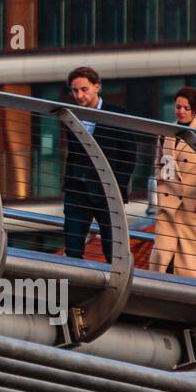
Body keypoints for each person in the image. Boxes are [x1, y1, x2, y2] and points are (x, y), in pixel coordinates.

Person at [150, 86, 196, 284]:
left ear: (195, 110)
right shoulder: (166, 132)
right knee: (162, 250)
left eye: (186, 108)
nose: (181, 111)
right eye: (178, 107)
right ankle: (156, 284)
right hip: (170, 204)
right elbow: (159, 164)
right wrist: (160, 187)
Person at [62, 66, 135, 262]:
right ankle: (76, 290)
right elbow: (74, 154)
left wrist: (116, 190)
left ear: (97, 87)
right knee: (72, 249)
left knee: (113, 252)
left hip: (108, 194)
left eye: (84, 89)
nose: (79, 95)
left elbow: (129, 157)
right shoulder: (70, 115)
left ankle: (115, 291)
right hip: (77, 191)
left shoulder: (117, 114)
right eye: (75, 90)